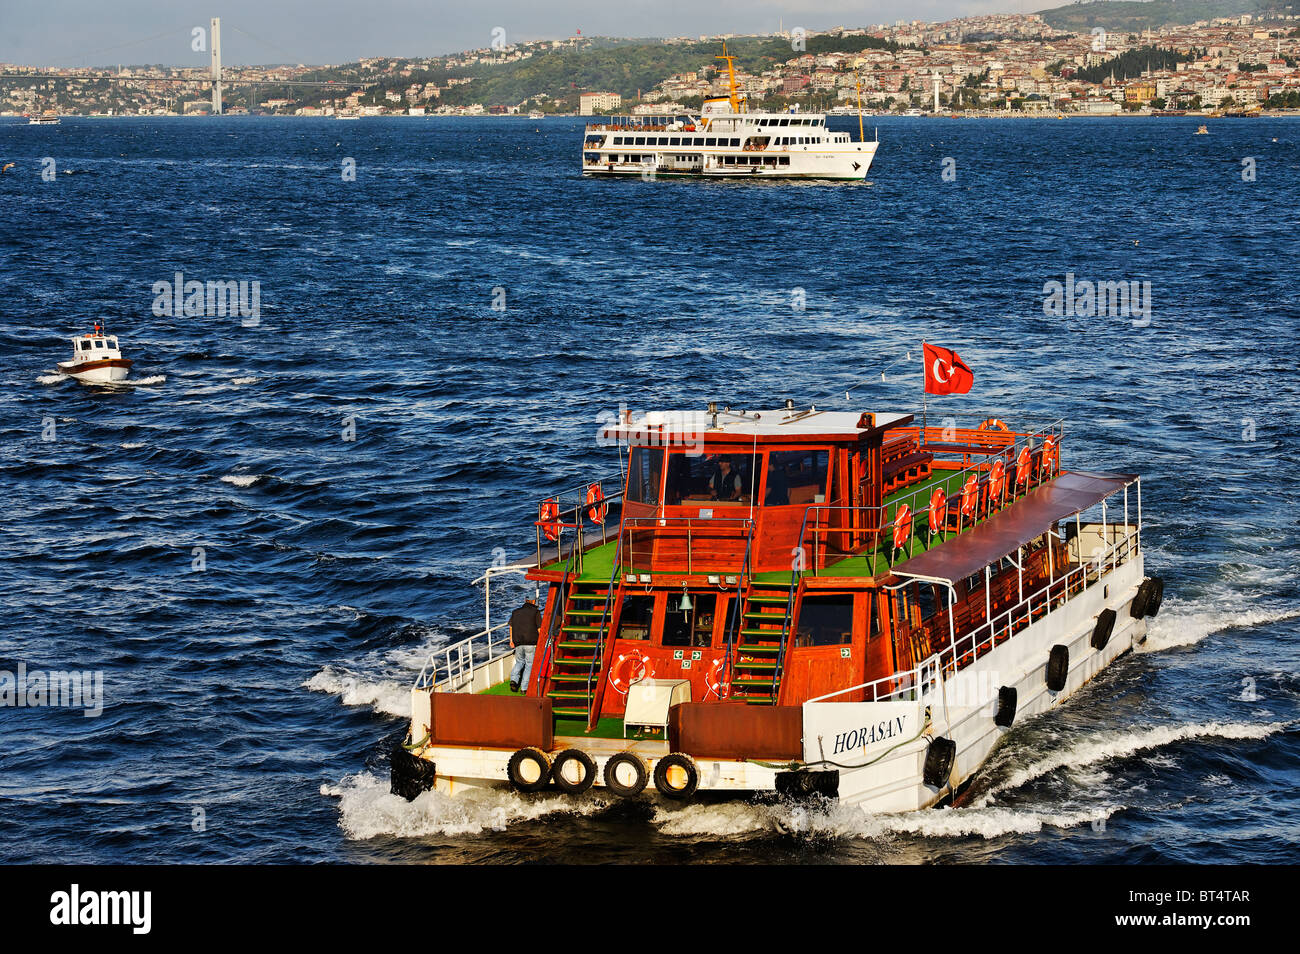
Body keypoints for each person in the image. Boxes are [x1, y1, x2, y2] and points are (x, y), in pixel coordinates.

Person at [508, 596, 541, 693]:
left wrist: (511, 640)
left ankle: (513, 680)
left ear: (525, 600)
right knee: (529, 665)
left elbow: (511, 626)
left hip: (518, 642)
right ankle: (524, 688)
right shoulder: (536, 612)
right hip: (531, 643)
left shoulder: (515, 612)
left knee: (519, 662)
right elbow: (540, 628)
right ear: (534, 601)